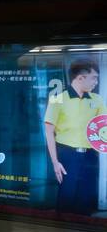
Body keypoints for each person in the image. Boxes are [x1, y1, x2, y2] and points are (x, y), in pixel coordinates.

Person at [44, 61, 104, 217]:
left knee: (87, 196)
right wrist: (55, 162)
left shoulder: (97, 99)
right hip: (66, 155)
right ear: (80, 78)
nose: (96, 82)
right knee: (67, 196)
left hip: (91, 155)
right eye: (94, 78)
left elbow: (103, 125)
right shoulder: (57, 99)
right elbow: (49, 132)